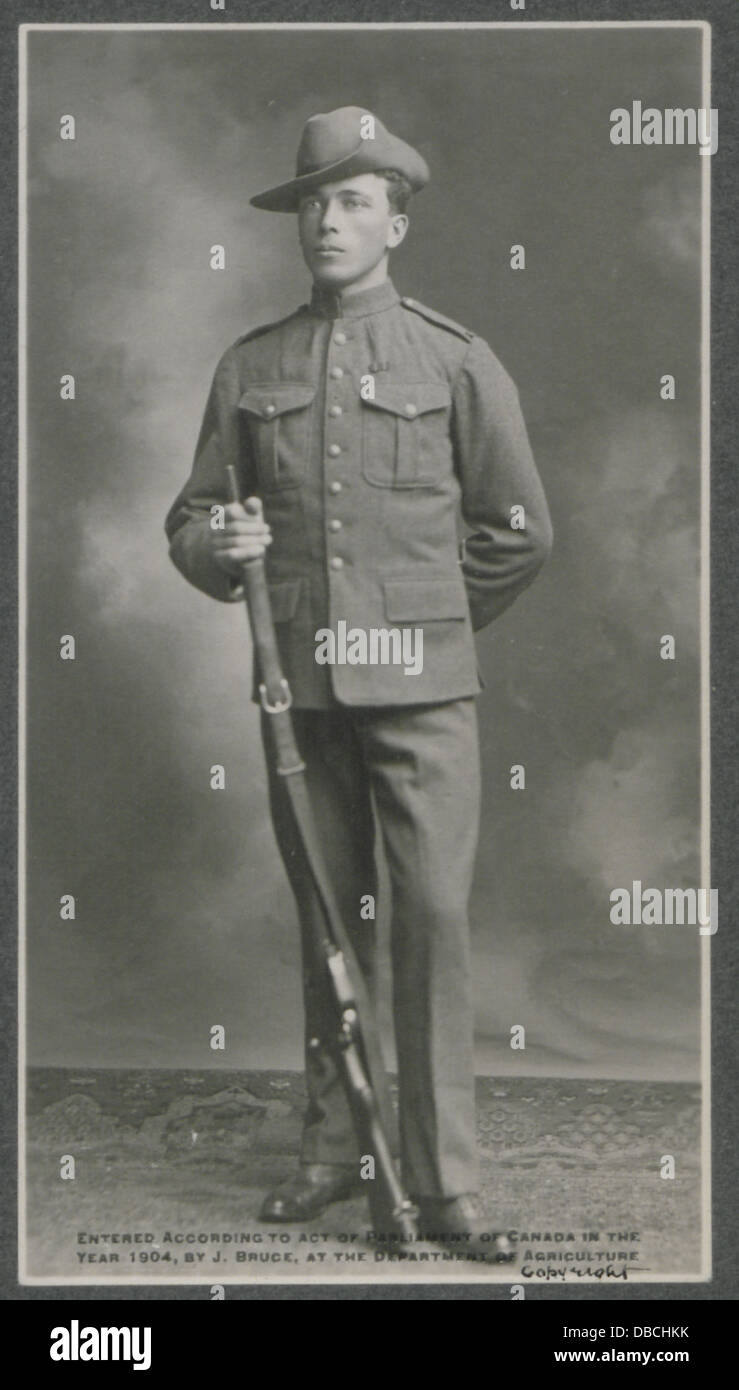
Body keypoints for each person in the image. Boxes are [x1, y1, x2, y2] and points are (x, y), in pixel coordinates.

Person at [165, 107, 552, 1254]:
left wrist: (419, 627)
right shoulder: (252, 366)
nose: (328, 222)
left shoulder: (455, 359)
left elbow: (519, 530)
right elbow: (189, 519)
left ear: (397, 222)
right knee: (332, 923)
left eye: (352, 201)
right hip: (301, 700)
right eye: (314, 204)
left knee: (428, 919)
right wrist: (218, 546)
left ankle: (441, 1179)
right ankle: (336, 1151)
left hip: (424, 699)